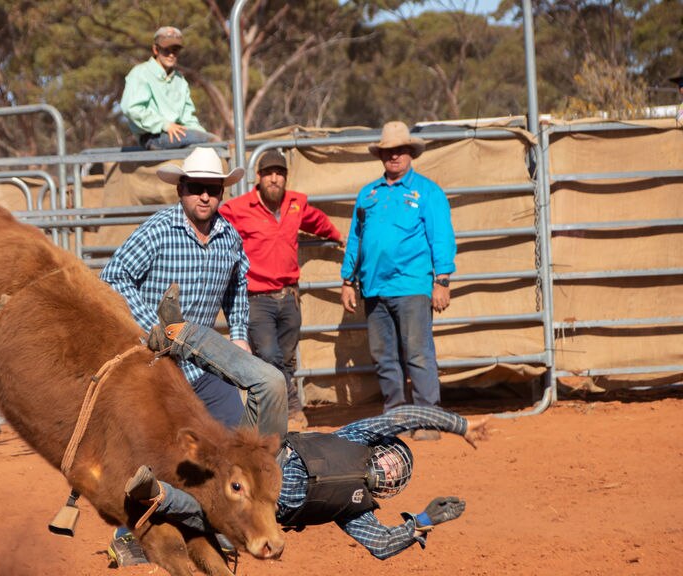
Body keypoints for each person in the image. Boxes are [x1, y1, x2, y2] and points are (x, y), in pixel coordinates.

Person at [125, 401, 489, 560]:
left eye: (394, 475)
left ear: (390, 488)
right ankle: (184, 340)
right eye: (393, 464)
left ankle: (157, 494)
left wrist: (424, 520)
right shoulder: (357, 442)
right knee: (261, 388)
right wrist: (460, 425)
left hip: (262, 505)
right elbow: (406, 416)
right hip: (264, 467)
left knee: (208, 520)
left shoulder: (358, 506)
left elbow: (380, 544)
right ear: (384, 449)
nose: (388, 471)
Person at [100, 147, 287, 441]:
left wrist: (239, 334)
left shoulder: (229, 237)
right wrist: (156, 327)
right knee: (156, 448)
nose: (204, 196)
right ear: (181, 189)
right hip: (152, 363)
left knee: (235, 442)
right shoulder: (158, 230)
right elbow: (113, 276)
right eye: (196, 188)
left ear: (222, 193)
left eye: (213, 189)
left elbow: (237, 285)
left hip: (203, 364)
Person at [340, 122, 455, 439]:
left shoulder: (428, 192)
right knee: (384, 357)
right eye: (388, 151)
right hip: (374, 288)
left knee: (417, 354)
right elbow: (356, 239)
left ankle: (428, 419)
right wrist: (348, 280)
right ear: (381, 155)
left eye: (400, 150)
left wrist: (442, 280)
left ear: (410, 153)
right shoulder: (368, 194)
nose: (394, 156)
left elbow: (441, 237)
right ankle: (396, 419)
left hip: (411, 285)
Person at [220, 149, 343, 431]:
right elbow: (216, 223)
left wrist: (336, 235)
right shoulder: (238, 208)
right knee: (269, 355)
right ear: (258, 177)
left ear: (286, 177)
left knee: (286, 359)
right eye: (268, 173)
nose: (274, 179)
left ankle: (271, 414)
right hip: (257, 298)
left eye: (279, 173)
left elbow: (316, 221)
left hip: (289, 296)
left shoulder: (296, 204)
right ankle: (292, 409)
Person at [120, 26, 214, 150]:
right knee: (204, 139)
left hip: (179, 134)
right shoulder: (140, 73)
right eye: (166, 50)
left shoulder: (180, 80)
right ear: (155, 49)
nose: (171, 55)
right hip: (153, 136)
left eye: (175, 50)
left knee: (214, 141)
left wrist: (205, 135)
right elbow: (132, 109)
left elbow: (188, 118)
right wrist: (165, 125)